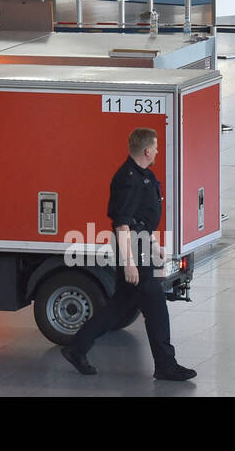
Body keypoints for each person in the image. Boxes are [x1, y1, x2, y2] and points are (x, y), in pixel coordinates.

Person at [60, 127, 197, 382]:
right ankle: (166, 365)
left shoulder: (143, 175)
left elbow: (142, 220)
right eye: (155, 147)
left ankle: (76, 348)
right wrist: (129, 263)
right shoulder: (128, 179)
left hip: (141, 245)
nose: (157, 151)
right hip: (133, 249)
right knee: (156, 306)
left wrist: (155, 245)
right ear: (147, 151)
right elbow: (123, 225)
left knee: (120, 306)